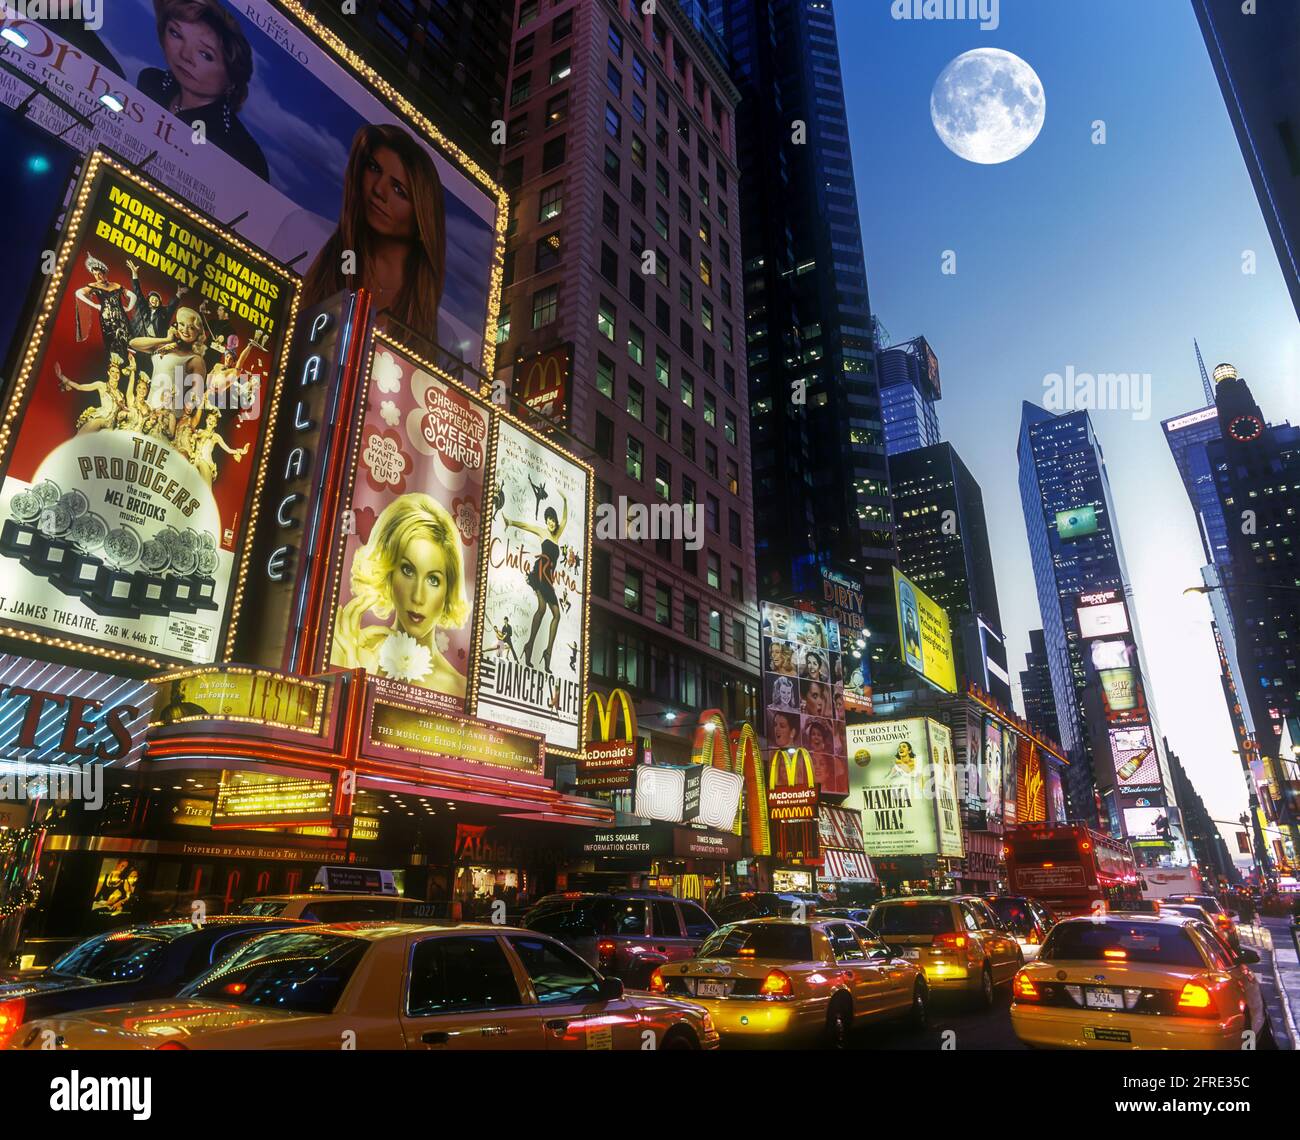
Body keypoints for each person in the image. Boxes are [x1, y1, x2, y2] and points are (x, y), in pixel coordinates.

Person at [302, 123, 446, 335]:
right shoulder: (301, 234)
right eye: (374, 168)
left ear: (422, 219)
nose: (379, 189)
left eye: (399, 190)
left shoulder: (441, 333)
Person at [331, 493, 470, 698]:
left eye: (433, 580)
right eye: (407, 570)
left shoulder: (460, 690)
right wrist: (349, 672)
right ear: (388, 571)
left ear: (449, 589)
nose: (418, 596)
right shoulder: (354, 653)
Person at [136, 0, 268, 181]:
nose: (185, 56)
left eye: (205, 54)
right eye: (176, 34)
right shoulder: (150, 81)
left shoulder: (242, 154)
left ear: (232, 79)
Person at [503, 489, 568, 673]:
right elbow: (526, 526)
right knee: (549, 611)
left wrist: (564, 500)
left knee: (553, 613)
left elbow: (565, 519)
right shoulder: (543, 532)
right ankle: (538, 649)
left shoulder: (557, 534)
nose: (551, 523)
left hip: (549, 578)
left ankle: (536, 647)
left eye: (552, 520)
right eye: (548, 521)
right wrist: (510, 522)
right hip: (540, 572)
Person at [129, 305, 210, 437]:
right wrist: (166, 339)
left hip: (167, 416)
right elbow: (133, 343)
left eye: (191, 327)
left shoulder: (196, 360)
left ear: (198, 333)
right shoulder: (166, 346)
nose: (185, 330)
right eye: (182, 324)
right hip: (147, 408)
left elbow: (196, 394)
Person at [74, 253, 136, 365]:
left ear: (104, 273)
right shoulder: (94, 286)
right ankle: (117, 367)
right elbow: (78, 293)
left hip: (121, 316)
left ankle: (131, 365)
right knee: (112, 342)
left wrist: (129, 308)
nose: (97, 276)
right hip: (106, 318)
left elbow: (133, 295)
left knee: (128, 340)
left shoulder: (116, 285)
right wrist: (95, 305)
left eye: (99, 273)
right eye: (95, 274)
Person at [56, 357, 126, 434]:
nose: (115, 374)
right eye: (112, 371)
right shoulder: (101, 385)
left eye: (117, 372)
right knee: (80, 438)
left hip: (110, 427)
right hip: (100, 419)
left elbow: (122, 412)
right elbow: (80, 387)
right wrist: (61, 376)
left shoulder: (121, 395)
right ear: (108, 373)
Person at [188, 409, 249, 484]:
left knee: (206, 487)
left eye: (213, 421)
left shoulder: (216, 436)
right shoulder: (199, 431)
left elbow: (228, 450)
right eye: (210, 419)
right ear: (206, 420)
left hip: (206, 462)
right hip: (194, 460)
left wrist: (241, 451)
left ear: (215, 424)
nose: (211, 421)